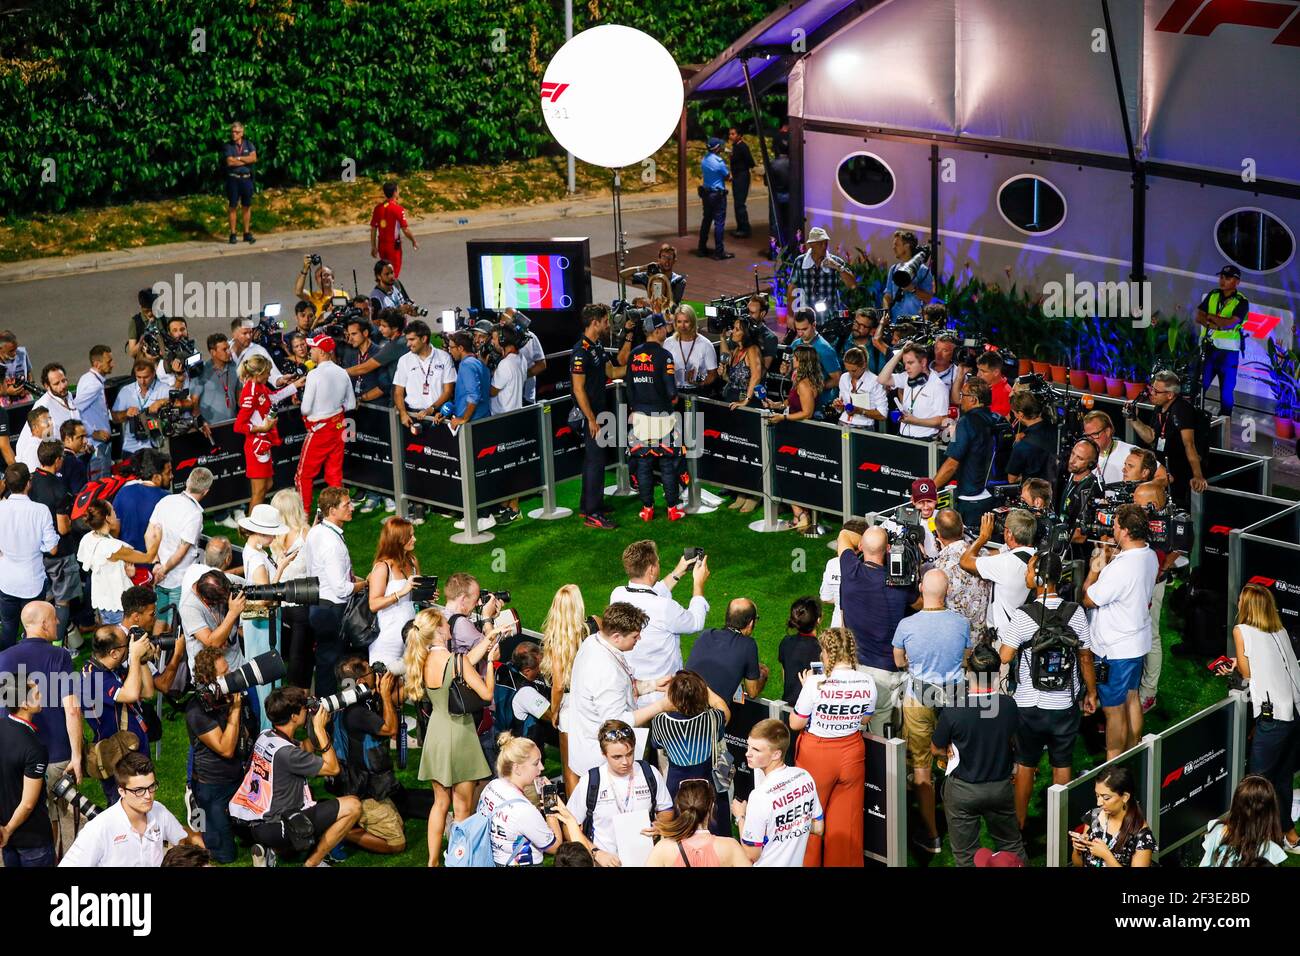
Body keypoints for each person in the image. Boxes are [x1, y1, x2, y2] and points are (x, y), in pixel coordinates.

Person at [1000, 552, 1096, 829]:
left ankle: (1018, 825)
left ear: (1039, 578)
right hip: (1065, 706)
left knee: (1026, 765)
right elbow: (1085, 657)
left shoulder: (1022, 616)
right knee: (1062, 763)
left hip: (1028, 707)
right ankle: (1061, 825)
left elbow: (1005, 657)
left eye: (1030, 570)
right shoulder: (1075, 612)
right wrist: (1091, 693)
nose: (1027, 576)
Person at [403, 607, 496, 866]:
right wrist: (491, 665)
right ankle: (460, 860)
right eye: (446, 624)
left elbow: (462, 664)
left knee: (440, 804)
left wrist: (488, 642)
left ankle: (432, 861)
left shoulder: (420, 660)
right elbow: (486, 695)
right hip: (461, 735)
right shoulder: (456, 660)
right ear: (440, 630)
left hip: (436, 734)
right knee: (462, 808)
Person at [229, 686, 361, 868]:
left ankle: (272, 851)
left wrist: (317, 726)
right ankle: (312, 863)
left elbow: (305, 748)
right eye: (303, 707)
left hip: (256, 823)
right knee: (353, 805)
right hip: (278, 826)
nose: (306, 709)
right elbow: (332, 769)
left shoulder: (266, 736)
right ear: (293, 716)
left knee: (316, 802)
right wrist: (320, 731)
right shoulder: (288, 754)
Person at [892, 569, 973, 854]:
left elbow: (900, 661)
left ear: (921, 589)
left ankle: (932, 836)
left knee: (921, 768)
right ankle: (962, 827)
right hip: (954, 696)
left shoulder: (906, 624)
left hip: (919, 697)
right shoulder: (961, 623)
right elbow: (965, 659)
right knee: (959, 761)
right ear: (947, 591)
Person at [1215, 583, 1300, 849]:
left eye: (1240, 600)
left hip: (1274, 716)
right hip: (1295, 714)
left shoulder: (1241, 630)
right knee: (1282, 778)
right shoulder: (1280, 630)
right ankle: (1289, 835)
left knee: (1255, 783)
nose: (1237, 604)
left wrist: (1234, 670)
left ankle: (1241, 839)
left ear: (1247, 606)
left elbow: (1249, 672)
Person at [0, 601, 82, 855]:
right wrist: (77, 757)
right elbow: (72, 709)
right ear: (44, 624)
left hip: (12, 753)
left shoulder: (4, 657)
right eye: (55, 618)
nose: (58, 622)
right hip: (56, 754)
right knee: (52, 818)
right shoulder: (60, 656)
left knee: (17, 809)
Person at [933, 643, 1025, 867]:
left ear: (969, 674)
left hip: (963, 791)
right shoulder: (1009, 705)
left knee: (966, 856)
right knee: (1012, 845)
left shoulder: (954, 710)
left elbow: (935, 748)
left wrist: (947, 751)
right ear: (996, 677)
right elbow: (1013, 740)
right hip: (1000, 788)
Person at [789, 627, 873, 866]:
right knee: (846, 828)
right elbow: (864, 720)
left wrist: (806, 688)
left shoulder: (816, 683)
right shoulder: (868, 681)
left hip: (817, 756)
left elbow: (795, 723)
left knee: (809, 823)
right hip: (852, 755)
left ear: (827, 652)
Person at [1082, 503, 1159, 759]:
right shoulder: (1149, 555)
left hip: (1114, 650)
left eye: (1115, 525)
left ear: (1125, 531)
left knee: (1114, 711)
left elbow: (1088, 599)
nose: (1112, 529)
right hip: (1135, 643)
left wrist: (1095, 569)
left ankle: (1114, 763)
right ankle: (1133, 752)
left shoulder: (1121, 568)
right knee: (1132, 698)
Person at [566, 602, 673, 777]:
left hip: (592, 748)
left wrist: (653, 684)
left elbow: (621, 687)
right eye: (635, 636)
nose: (639, 640)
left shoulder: (594, 640)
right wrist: (662, 706)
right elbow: (616, 722)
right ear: (616, 637)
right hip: (603, 763)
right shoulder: (606, 670)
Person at [836, 525, 919, 736]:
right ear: (889, 549)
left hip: (857, 670)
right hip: (890, 671)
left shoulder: (850, 570)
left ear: (861, 546)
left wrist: (866, 542)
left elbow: (844, 534)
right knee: (889, 736)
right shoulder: (900, 582)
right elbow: (920, 604)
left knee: (859, 731)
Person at [610, 540, 709, 705]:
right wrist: (698, 584)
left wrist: (678, 572)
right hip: (662, 696)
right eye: (657, 562)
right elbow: (696, 622)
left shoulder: (617, 595)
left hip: (632, 692)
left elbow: (648, 593)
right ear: (651, 569)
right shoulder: (664, 608)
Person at [61, 752, 201, 866]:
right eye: (139, 790)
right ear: (121, 791)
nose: (148, 796)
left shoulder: (158, 810)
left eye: (151, 787)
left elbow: (181, 837)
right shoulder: (99, 829)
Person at [568, 719, 673, 865]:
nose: (625, 762)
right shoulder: (591, 781)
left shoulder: (650, 773)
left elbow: (666, 809)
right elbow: (569, 826)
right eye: (617, 757)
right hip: (604, 862)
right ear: (603, 754)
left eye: (630, 754)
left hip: (645, 859)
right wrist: (596, 853)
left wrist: (659, 825)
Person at [185, 647, 256, 864]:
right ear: (207, 679)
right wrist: (235, 709)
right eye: (224, 674)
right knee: (224, 856)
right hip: (211, 788)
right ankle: (193, 824)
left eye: (229, 670)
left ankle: (229, 822)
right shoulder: (196, 709)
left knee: (253, 835)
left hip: (238, 780)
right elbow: (225, 748)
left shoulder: (231, 697)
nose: (231, 677)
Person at [331, 658, 407, 855]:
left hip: (358, 783)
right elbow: (390, 728)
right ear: (359, 682)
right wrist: (386, 696)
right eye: (369, 671)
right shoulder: (357, 712)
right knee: (397, 842)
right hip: (364, 791)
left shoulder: (350, 702)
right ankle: (340, 831)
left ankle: (347, 820)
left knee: (399, 823)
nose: (374, 672)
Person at [478, 734, 588, 866]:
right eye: (536, 763)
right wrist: (550, 806)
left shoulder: (492, 786)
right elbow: (555, 846)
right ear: (517, 768)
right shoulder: (524, 811)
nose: (541, 767)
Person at [570, 304, 632, 529]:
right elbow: (578, 389)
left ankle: (588, 505)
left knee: (593, 461)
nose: (608, 324)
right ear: (595, 322)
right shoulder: (580, 352)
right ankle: (593, 514)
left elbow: (613, 373)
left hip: (598, 414)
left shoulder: (596, 346)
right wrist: (591, 419)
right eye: (605, 321)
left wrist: (636, 362)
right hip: (591, 417)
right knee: (596, 462)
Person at [733, 718, 824, 866]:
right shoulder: (804, 776)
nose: (747, 754)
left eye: (756, 750)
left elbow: (752, 854)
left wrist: (740, 816)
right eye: (748, 746)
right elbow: (819, 828)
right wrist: (791, 827)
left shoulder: (759, 796)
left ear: (776, 754)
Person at [81, 625, 154, 805]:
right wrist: (135, 657)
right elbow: (130, 694)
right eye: (126, 645)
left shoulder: (110, 668)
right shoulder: (94, 678)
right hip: (117, 757)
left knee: (143, 804)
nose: (130, 646)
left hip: (132, 749)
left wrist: (142, 661)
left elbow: (147, 692)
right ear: (114, 653)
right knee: (123, 811)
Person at [650, 670, 730, 832]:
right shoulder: (713, 718)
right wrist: (702, 687)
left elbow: (657, 744)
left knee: (679, 829)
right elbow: (724, 710)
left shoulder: (660, 721)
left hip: (675, 783)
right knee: (715, 829)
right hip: (709, 780)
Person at [302, 486, 364, 696]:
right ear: (331, 510)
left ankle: (325, 713)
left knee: (325, 664)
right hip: (332, 610)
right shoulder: (331, 544)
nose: (352, 508)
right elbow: (341, 588)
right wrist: (363, 584)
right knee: (333, 665)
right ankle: (329, 715)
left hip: (318, 605)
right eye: (346, 505)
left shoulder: (317, 531)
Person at [623, 313, 683, 522]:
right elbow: (671, 390)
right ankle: (672, 509)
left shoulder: (634, 355)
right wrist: (672, 399)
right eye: (664, 327)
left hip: (639, 416)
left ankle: (647, 508)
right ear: (657, 330)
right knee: (667, 463)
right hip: (662, 416)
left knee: (643, 464)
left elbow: (629, 388)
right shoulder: (665, 355)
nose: (667, 330)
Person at [766, 346, 826, 534]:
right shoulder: (801, 380)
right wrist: (778, 405)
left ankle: (801, 516)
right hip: (798, 432)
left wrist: (783, 417)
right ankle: (799, 514)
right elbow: (794, 402)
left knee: (793, 473)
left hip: (801, 434)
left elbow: (806, 412)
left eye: (796, 358)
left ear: (803, 361)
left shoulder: (804, 384)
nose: (792, 360)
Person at [1129, 370, 1208, 509]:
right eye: (1152, 389)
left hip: (1180, 474)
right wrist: (1134, 420)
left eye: (1156, 391)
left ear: (1170, 395)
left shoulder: (1182, 410)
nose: (1151, 394)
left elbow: (1189, 444)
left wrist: (1198, 475)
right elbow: (1151, 436)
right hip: (1163, 468)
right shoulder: (1159, 408)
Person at [28, 439, 83, 639]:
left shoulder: (29, 481)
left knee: (46, 599)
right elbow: (63, 528)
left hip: (36, 552)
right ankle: (58, 645)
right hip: (60, 553)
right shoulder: (59, 489)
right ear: (58, 460)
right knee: (63, 602)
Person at [0, 464, 59, 649]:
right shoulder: (40, 510)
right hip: (32, 582)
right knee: (33, 634)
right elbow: (53, 548)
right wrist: (38, 547)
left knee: (8, 630)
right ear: (29, 483)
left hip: (6, 582)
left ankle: (5, 670)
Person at [295, 333, 355, 511]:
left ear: (321, 352)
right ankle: (338, 511)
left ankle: (304, 514)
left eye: (312, 348)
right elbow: (350, 404)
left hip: (320, 429)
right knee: (334, 473)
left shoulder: (314, 374)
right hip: (338, 426)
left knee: (303, 475)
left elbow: (305, 409)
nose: (309, 351)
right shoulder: (342, 372)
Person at [144, 466, 211, 624]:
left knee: (160, 621)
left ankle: (158, 650)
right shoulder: (195, 514)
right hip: (180, 580)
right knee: (177, 628)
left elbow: (148, 534)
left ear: (187, 482)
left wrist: (156, 564)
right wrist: (163, 569)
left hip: (160, 574)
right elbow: (181, 551)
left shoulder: (166, 500)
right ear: (206, 491)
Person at [540, 584, 590, 795]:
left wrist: (555, 710)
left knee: (571, 771)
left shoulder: (556, 640)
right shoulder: (592, 630)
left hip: (570, 706)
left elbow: (558, 685)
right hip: (590, 701)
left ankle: (574, 825)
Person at [0, 677, 54, 867]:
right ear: (24, 703)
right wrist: (8, 830)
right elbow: (29, 803)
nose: (41, 697)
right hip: (33, 838)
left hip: (6, 840)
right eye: (37, 694)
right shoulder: (35, 748)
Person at [960, 509, 1036, 642]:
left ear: (1009, 533)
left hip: (1005, 639)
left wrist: (983, 538)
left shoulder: (1005, 563)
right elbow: (994, 555)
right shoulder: (1037, 556)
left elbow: (965, 561)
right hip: (1027, 633)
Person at [933, 378, 999, 527]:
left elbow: (951, 464)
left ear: (974, 400)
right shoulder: (998, 419)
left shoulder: (965, 422)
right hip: (994, 496)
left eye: (963, 395)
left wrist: (931, 488)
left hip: (972, 499)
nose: (960, 399)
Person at [647, 778, 751, 867]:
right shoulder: (730, 847)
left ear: (678, 807)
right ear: (712, 807)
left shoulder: (663, 849)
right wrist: (741, 818)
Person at [1071, 765, 1156, 867]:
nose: (1099, 803)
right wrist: (1077, 850)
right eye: (1097, 795)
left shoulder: (1141, 836)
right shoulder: (1094, 817)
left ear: (1125, 797)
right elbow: (1078, 864)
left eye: (1106, 798)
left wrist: (1107, 856)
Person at [685, 597, 768, 702]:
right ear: (751, 623)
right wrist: (762, 675)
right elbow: (752, 692)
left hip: (681, 699)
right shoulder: (748, 645)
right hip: (708, 712)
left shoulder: (706, 634)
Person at [366, 516, 420, 674]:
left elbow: (414, 595)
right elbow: (373, 604)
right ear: (398, 539)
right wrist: (401, 592)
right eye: (410, 536)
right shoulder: (382, 568)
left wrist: (426, 594)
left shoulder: (412, 562)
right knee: (385, 686)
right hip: (387, 640)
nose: (414, 539)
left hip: (411, 636)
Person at [1195, 264, 1250, 418]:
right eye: (1221, 277)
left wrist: (1212, 318)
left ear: (1237, 282)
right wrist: (1216, 323)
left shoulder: (1241, 301)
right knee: (1200, 386)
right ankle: (1195, 419)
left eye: (1227, 278)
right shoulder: (1213, 294)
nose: (1222, 280)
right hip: (1209, 349)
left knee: (1226, 392)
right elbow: (1199, 316)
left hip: (1228, 354)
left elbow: (1230, 323)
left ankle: (1224, 425)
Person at [1201, 775, 1291, 867]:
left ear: (1235, 805)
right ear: (1270, 814)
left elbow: (1205, 863)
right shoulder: (1270, 851)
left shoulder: (1217, 831)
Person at [228, 354, 280, 510]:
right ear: (258, 374)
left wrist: (295, 385)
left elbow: (273, 398)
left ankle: (254, 521)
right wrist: (262, 428)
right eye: (267, 373)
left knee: (268, 484)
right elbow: (238, 426)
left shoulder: (259, 387)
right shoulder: (251, 392)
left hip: (263, 444)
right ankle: (249, 529)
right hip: (256, 446)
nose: (269, 375)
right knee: (258, 491)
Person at [931, 508, 990, 644]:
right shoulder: (982, 554)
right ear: (962, 529)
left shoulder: (939, 568)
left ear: (938, 533)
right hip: (982, 644)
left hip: (953, 642)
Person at [394, 318, 456, 437]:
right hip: (412, 416)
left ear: (424, 338)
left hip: (437, 416)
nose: (408, 344)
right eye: (407, 340)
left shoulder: (444, 358)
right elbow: (398, 392)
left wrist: (431, 409)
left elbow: (448, 391)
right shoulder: (404, 360)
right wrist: (403, 413)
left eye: (412, 339)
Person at [877, 340, 950, 440]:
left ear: (923, 362)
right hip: (904, 437)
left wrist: (916, 421)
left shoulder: (938, 386)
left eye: (910, 363)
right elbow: (881, 379)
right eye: (905, 363)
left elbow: (942, 420)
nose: (906, 367)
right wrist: (901, 352)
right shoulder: (905, 377)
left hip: (924, 441)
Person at [111, 451, 172, 557]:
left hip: (127, 564)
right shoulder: (167, 499)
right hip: (155, 566)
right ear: (156, 477)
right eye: (168, 473)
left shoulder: (123, 492)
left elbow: (114, 529)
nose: (171, 476)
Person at [787, 226, 857, 318]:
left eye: (826, 243)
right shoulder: (800, 262)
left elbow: (852, 285)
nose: (824, 246)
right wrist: (791, 316)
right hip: (808, 317)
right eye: (820, 244)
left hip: (831, 316)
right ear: (811, 244)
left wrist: (838, 267)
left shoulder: (835, 261)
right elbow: (792, 288)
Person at [111, 361, 171, 458]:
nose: (142, 381)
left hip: (156, 448)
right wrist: (126, 413)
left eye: (146, 377)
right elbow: (114, 417)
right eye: (139, 377)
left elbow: (179, 402)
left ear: (153, 373)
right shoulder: (126, 391)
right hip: (130, 449)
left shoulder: (163, 389)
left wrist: (163, 402)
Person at [74, 345, 115, 480]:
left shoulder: (86, 378)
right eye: (108, 361)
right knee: (101, 487)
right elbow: (75, 409)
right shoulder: (94, 385)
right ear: (97, 364)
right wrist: (93, 432)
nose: (112, 365)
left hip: (97, 445)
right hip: (97, 447)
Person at [787, 309, 842, 406]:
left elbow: (837, 380)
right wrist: (786, 370)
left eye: (804, 329)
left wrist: (813, 388)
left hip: (820, 406)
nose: (800, 334)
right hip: (798, 403)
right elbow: (793, 372)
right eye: (798, 329)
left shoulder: (825, 349)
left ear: (814, 325)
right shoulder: (795, 344)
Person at [778, 597, 823, 708]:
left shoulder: (786, 642)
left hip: (788, 705)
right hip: (811, 708)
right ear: (818, 620)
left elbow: (785, 673)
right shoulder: (823, 650)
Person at [1005, 390, 1057, 484]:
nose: (1013, 415)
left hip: (1035, 492)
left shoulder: (1022, 446)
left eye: (1014, 412)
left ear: (1020, 414)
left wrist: (1026, 477)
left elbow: (1012, 479)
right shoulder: (1056, 428)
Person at [881, 230, 934, 322]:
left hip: (914, 324)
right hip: (895, 323)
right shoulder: (893, 269)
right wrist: (886, 312)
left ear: (907, 246)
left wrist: (912, 289)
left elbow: (929, 299)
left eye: (897, 244)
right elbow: (887, 295)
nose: (893, 248)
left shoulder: (923, 270)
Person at [369, 181, 419, 276]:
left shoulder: (377, 209)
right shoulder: (398, 209)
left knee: (385, 273)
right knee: (393, 274)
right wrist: (413, 241)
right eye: (398, 190)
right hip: (393, 247)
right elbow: (405, 229)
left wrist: (373, 246)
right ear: (395, 192)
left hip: (381, 246)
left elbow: (373, 229)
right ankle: (391, 290)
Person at [664, 305, 718, 390]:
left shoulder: (706, 344)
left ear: (693, 322)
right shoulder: (668, 343)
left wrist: (700, 384)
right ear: (675, 323)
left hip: (696, 392)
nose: (682, 326)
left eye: (686, 321)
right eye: (679, 322)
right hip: (674, 392)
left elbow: (712, 374)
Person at [696, 137, 732, 260]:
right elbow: (728, 177)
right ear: (717, 148)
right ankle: (719, 252)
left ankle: (701, 248)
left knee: (706, 221)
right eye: (721, 146)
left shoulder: (704, 160)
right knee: (719, 223)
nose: (723, 147)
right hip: (717, 195)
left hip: (706, 194)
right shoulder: (719, 162)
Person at [833, 347, 887, 429]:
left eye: (854, 370)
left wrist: (860, 411)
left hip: (864, 427)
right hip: (842, 424)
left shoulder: (875, 381)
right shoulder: (844, 377)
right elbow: (841, 408)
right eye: (848, 370)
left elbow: (883, 415)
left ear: (864, 365)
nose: (850, 374)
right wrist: (839, 406)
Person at [620, 243, 687, 309]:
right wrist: (644, 267)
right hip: (652, 312)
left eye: (669, 258)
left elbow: (673, 305)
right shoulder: (649, 276)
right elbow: (623, 274)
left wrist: (649, 303)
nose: (667, 261)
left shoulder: (679, 280)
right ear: (659, 260)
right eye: (664, 257)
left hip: (669, 315)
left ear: (674, 261)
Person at [1081, 411, 1136, 490]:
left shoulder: (1130, 452)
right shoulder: (1082, 453)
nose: (1090, 440)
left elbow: (1159, 475)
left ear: (1108, 431)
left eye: (1094, 434)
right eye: (1087, 436)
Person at [222, 121, 257, 244]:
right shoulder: (228, 146)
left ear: (242, 133)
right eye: (232, 132)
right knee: (233, 206)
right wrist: (245, 160)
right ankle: (232, 234)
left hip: (246, 178)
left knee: (246, 206)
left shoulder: (249, 144)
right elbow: (230, 162)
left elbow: (253, 158)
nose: (234, 134)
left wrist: (239, 158)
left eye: (236, 132)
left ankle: (246, 233)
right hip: (234, 179)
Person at [726, 126, 754, 238]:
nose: (731, 136)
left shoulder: (743, 147)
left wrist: (740, 167)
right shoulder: (735, 147)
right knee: (737, 203)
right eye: (730, 134)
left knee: (740, 203)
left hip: (742, 177)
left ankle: (744, 228)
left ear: (739, 135)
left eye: (733, 134)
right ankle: (740, 227)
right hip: (737, 176)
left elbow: (750, 162)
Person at [14, 406, 51, 472]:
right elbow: (34, 478)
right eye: (45, 421)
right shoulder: (33, 449)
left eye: (50, 419)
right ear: (35, 427)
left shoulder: (43, 444)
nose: (50, 424)